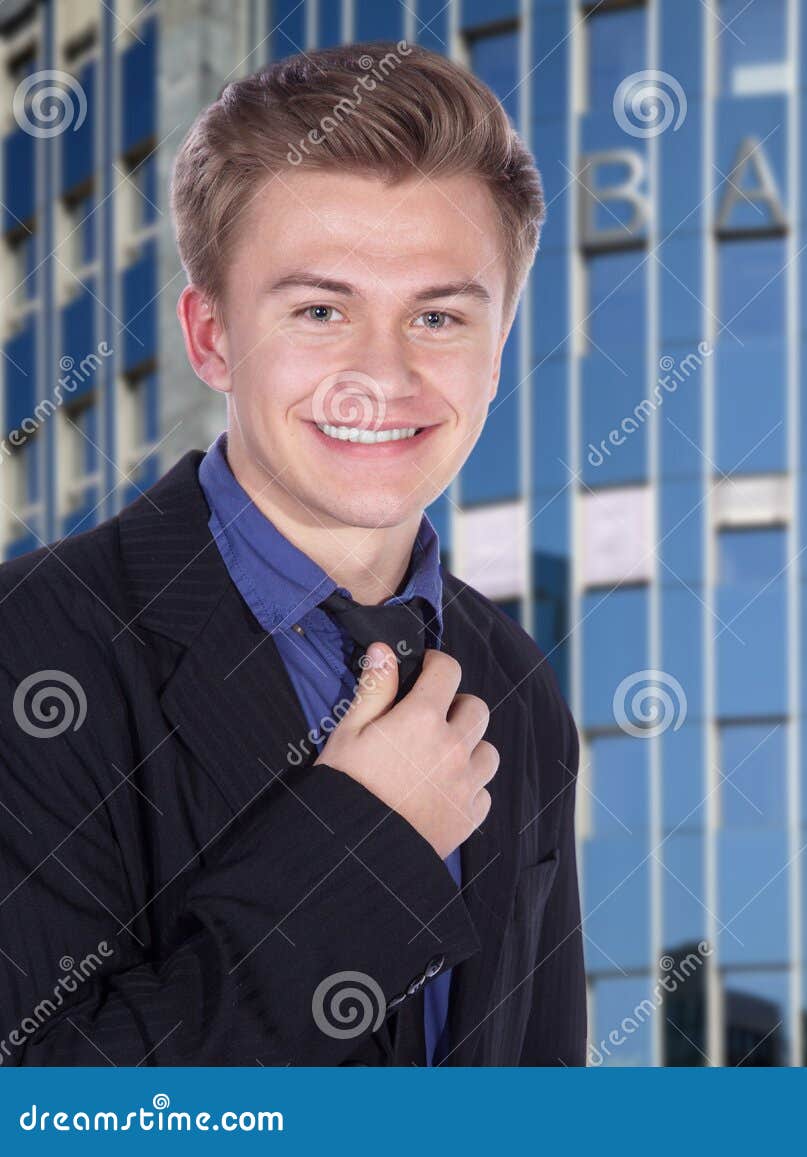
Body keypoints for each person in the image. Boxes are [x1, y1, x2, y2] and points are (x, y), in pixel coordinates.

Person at [0, 42, 584, 1065]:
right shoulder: (31, 645)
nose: (381, 376)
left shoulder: (518, 688)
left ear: (496, 354)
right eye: (321, 310)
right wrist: (367, 845)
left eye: (438, 316)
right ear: (213, 336)